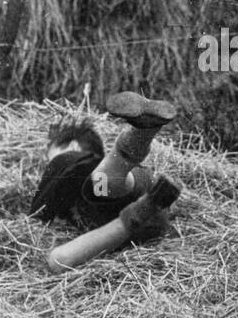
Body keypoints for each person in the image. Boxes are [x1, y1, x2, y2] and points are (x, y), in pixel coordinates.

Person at [29, 92, 182, 274]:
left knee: (100, 186)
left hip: (126, 189)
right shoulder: (85, 184)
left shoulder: (69, 162)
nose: (49, 165)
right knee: (58, 260)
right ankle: (142, 134)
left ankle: (141, 134)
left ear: (74, 148)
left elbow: (35, 223)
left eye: (52, 156)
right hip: (145, 212)